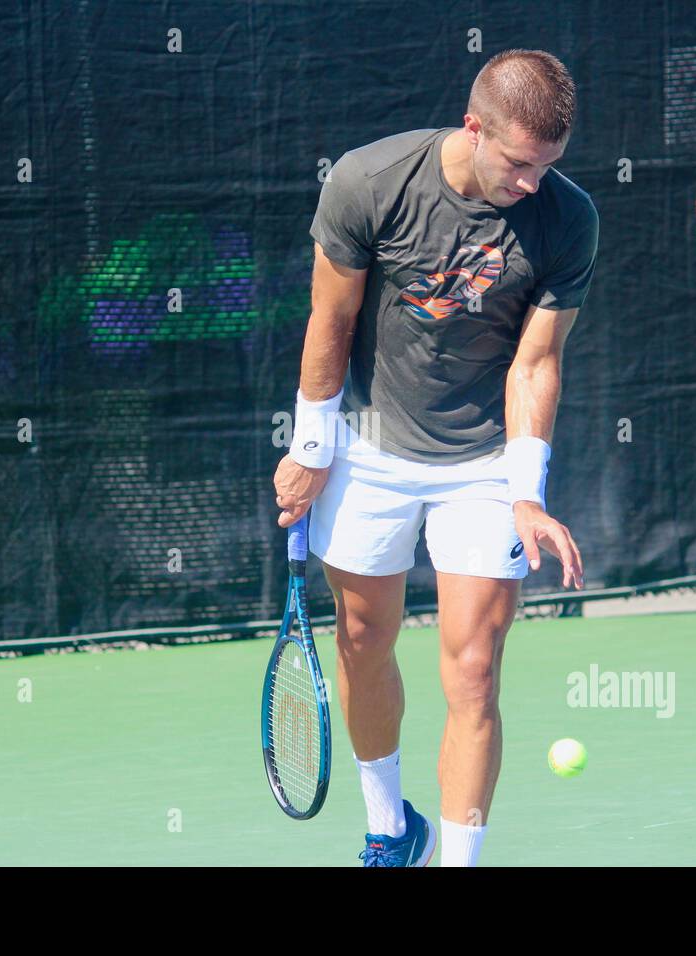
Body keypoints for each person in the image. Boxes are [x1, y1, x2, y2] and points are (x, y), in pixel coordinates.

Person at [272, 49, 598, 866]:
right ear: (474, 126)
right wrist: (311, 446)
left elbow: (536, 364)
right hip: (370, 445)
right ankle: (391, 830)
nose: (532, 183)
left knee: (475, 669)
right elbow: (330, 321)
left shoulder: (568, 218)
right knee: (361, 638)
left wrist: (527, 493)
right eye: (519, 163)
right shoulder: (367, 181)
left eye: (548, 167)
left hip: (485, 462)